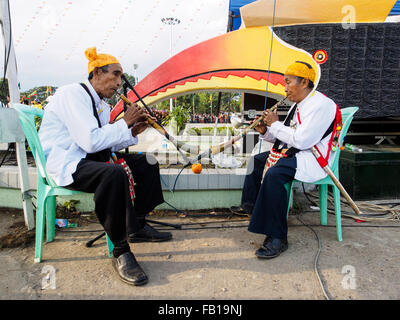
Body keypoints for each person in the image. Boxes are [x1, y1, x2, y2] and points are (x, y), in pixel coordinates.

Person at [38, 47, 172, 286]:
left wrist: (133, 130)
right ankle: (120, 250)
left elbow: (104, 141)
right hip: (67, 162)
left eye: (121, 77)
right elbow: (90, 141)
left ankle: (137, 223)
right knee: (114, 173)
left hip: (88, 158)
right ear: (97, 73)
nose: (119, 83)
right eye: (116, 75)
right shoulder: (73, 94)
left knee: (147, 162)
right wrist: (125, 123)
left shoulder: (101, 105)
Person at [237, 61, 338, 259]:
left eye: (288, 82)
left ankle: (278, 237)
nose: (285, 88)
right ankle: (252, 207)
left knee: (275, 174)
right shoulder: (298, 105)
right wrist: (266, 130)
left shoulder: (322, 105)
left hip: (313, 158)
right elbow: (284, 136)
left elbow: (302, 140)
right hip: (294, 152)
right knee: (257, 161)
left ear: (304, 83)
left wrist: (275, 124)